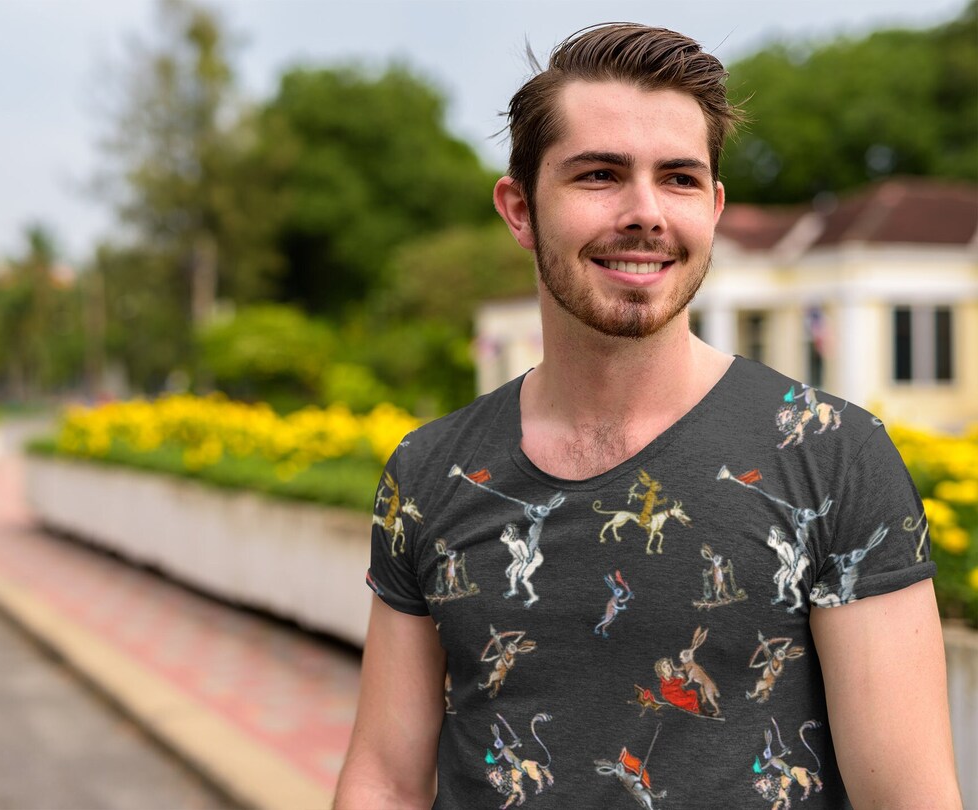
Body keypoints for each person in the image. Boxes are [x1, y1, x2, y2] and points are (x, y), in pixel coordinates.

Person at [334, 22, 961, 809]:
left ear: (716, 207)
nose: (645, 212)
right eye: (600, 174)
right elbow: (384, 779)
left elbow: (908, 799)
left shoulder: (834, 455)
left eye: (679, 178)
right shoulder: (430, 471)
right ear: (520, 209)